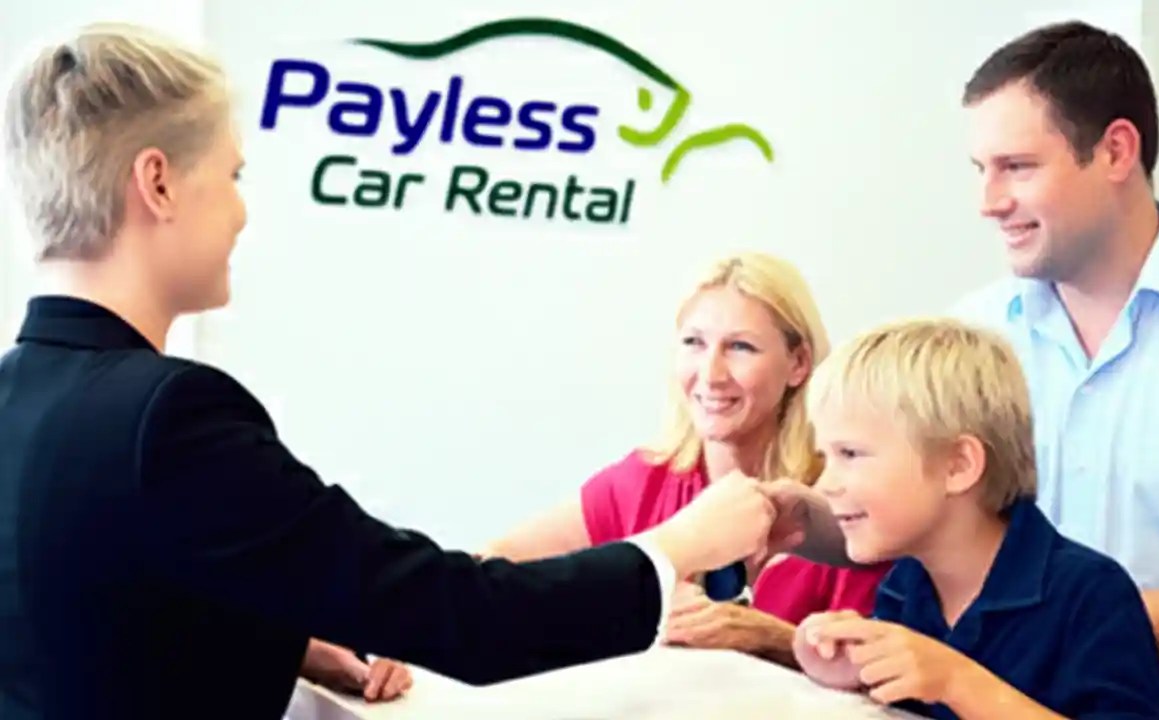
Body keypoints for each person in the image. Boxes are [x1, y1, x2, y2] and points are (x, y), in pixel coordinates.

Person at [0, 22, 795, 720]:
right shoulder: (170, 416)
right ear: (159, 182)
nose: (242, 212)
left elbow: (93, 619)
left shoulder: (17, 395)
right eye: (233, 176)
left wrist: (278, 637)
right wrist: (678, 546)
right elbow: (465, 618)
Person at [948, 20, 1159, 718]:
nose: (988, 202)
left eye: (1018, 166)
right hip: (999, 693)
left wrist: (1074, 626)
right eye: (982, 170)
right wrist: (812, 522)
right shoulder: (971, 332)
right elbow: (931, 515)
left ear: (1116, 150)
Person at [484, 252, 891, 667]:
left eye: (740, 347)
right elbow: (491, 570)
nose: (711, 374)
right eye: (694, 343)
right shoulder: (643, 480)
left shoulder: (847, 496)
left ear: (798, 363)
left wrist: (770, 639)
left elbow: (905, 680)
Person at [786, 318, 1159, 718]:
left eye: (849, 454)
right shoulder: (905, 587)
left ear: (958, 465)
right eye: (825, 457)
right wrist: (854, 670)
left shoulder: (1090, 594)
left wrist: (957, 682)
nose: (824, 486)